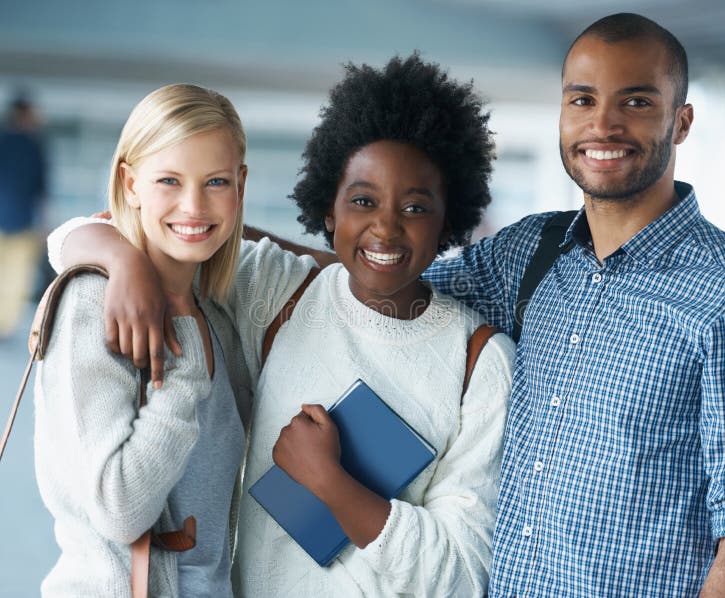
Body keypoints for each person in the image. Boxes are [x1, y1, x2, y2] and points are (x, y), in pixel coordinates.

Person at [48, 55, 513, 597]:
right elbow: (145, 228)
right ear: (329, 211)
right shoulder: (279, 290)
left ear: (450, 218)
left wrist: (332, 484)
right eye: (363, 200)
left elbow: (461, 576)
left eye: (416, 207)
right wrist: (120, 262)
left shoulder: (479, 361)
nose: (386, 228)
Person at [422, 13, 725, 597]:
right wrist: (246, 253)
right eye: (582, 100)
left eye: (637, 102)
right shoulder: (530, 252)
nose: (603, 125)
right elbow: (389, 287)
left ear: (683, 121)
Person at [35, 83, 282, 598]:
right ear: (130, 183)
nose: (194, 206)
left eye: (215, 181)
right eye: (168, 179)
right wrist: (181, 359)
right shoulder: (91, 305)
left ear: (241, 184)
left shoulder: (216, 313)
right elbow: (120, 509)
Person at [0, 93, 47, 338]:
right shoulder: (34, 146)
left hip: (11, 220)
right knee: (16, 278)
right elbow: (41, 190)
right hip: (23, 222)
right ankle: (3, 325)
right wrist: (44, 223)